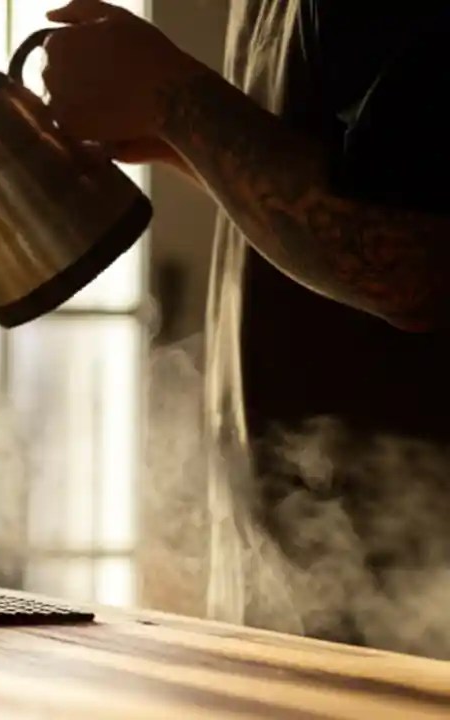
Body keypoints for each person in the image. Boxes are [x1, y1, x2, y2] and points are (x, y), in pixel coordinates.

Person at [39, 0, 450, 656]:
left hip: (414, 597)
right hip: (292, 577)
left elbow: (404, 261)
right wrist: (189, 145)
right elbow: (348, 184)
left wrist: (172, 98)